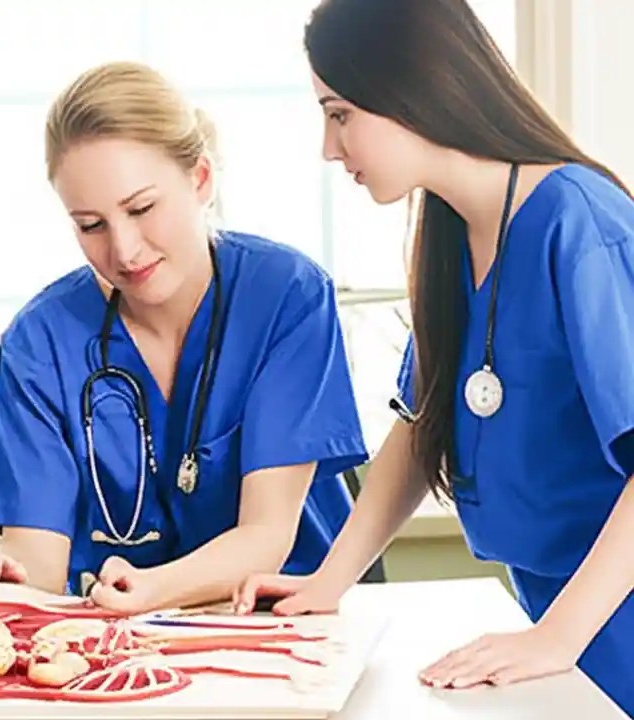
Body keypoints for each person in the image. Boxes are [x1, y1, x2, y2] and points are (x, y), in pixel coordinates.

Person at [232, 0, 634, 714]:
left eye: (340, 113)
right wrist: (328, 583)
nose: (330, 147)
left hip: (605, 611)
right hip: (548, 608)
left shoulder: (580, 222)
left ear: (412, 88)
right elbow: (424, 426)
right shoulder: (450, 235)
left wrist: (559, 638)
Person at [0, 61, 368, 615]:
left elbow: (267, 537)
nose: (125, 250)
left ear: (200, 179)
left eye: (141, 208)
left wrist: (150, 590)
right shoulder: (39, 343)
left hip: (288, 624)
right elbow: (37, 560)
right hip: (124, 644)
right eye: (91, 225)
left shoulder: (286, 297)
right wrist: (3, 573)